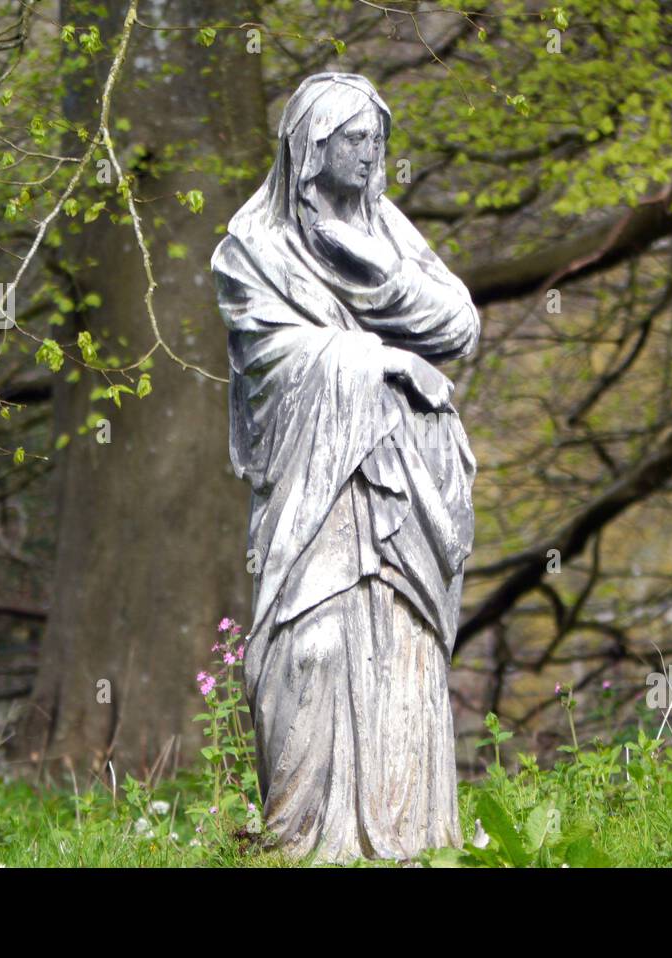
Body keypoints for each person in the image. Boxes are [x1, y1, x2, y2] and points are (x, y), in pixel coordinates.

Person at [210, 73, 480, 862]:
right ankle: (303, 840)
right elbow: (269, 357)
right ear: (309, 147)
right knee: (311, 647)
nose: (371, 155)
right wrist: (383, 363)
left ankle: (409, 840)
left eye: (378, 140)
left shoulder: (388, 233)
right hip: (316, 481)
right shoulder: (252, 248)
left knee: (402, 652)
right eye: (354, 139)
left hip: (405, 486)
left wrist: (373, 271)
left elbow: (459, 323)